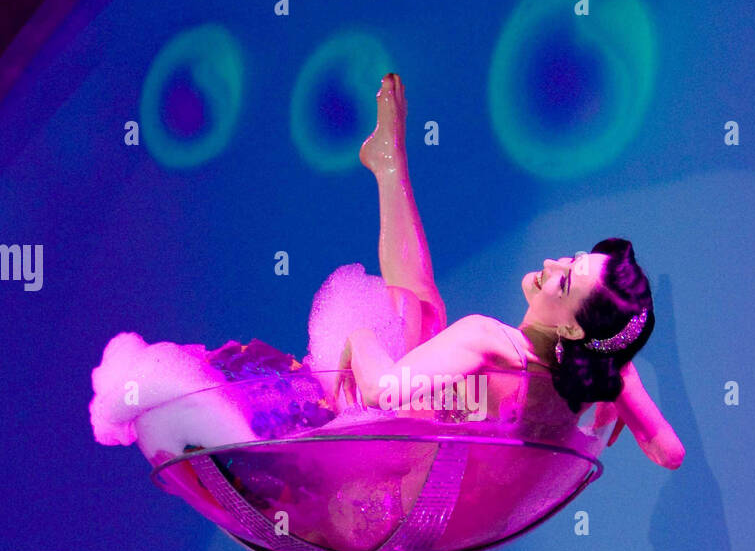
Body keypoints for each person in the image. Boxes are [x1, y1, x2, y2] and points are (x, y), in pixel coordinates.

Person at [89, 74, 683, 472]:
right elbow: (670, 452)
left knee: (414, 323)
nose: (553, 264)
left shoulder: (490, 341)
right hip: (464, 472)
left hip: (397, 466)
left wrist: (357, 339)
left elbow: (382, 391)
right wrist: (620, 382)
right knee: (422, 317)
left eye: (564, 281)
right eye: (570, 259)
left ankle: (389, 164)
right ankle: (387, 163)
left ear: (577, 330)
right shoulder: (590, 374)